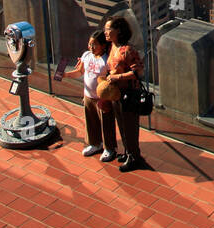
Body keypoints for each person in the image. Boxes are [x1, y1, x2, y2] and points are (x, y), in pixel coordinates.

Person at [56, 31, 119, 162]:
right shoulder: (86, 56)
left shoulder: (107, 60)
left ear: (102, 45)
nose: (91, 47)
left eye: (94, 45)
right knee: (91, 121)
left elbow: (111, 78)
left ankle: (110, 148)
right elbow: (80, 72)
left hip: (102, 98)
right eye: (90, 44)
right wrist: (66, 75)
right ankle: (95, 144)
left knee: (106, 123)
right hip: (88, 95)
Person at [104, 16, 146, 172]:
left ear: (118, 31)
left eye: (108, 29)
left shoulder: (127, 50)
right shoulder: (113, 47)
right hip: (117, 93)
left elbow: (138, 71)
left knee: (130, 127)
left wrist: (117, 77)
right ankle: (128, 152)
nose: (106, 32)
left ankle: (134, 156)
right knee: (121, 125)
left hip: (129, 94)